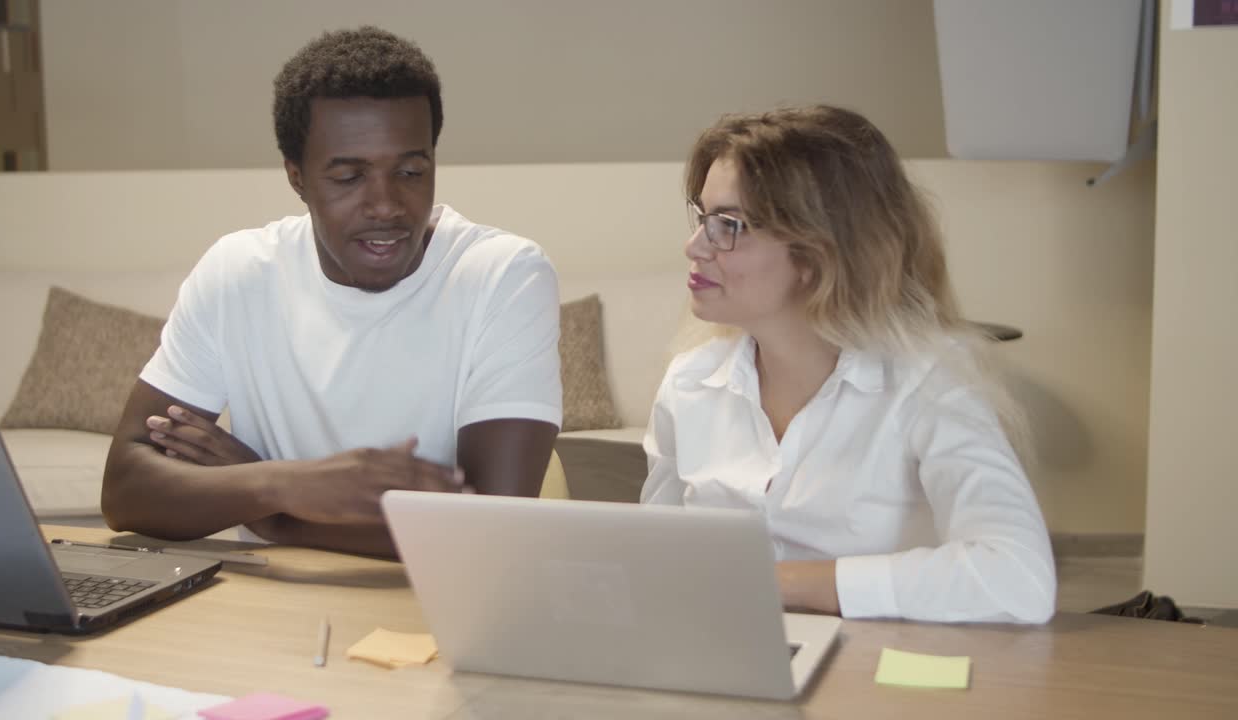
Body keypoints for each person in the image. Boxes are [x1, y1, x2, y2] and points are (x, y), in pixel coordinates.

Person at [101, 27, 561, 557]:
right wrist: (286, 484)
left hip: (427, 606)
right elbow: (125, 492)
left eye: (411, 171)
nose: (386, 205)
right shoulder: (239, 272)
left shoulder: (502, 274)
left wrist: (278, 519)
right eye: (348, 177)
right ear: (297, 178)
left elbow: (489, 533)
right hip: (267, 606)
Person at [641, 106, 1055, 623]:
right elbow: (657, 559)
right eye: (703, 218)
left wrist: (770, 584)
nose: (694, 246)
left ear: (821, 251)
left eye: (730, 225)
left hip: (880, 679)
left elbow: (1018, 579)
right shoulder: (690, 383)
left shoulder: (929, 385)